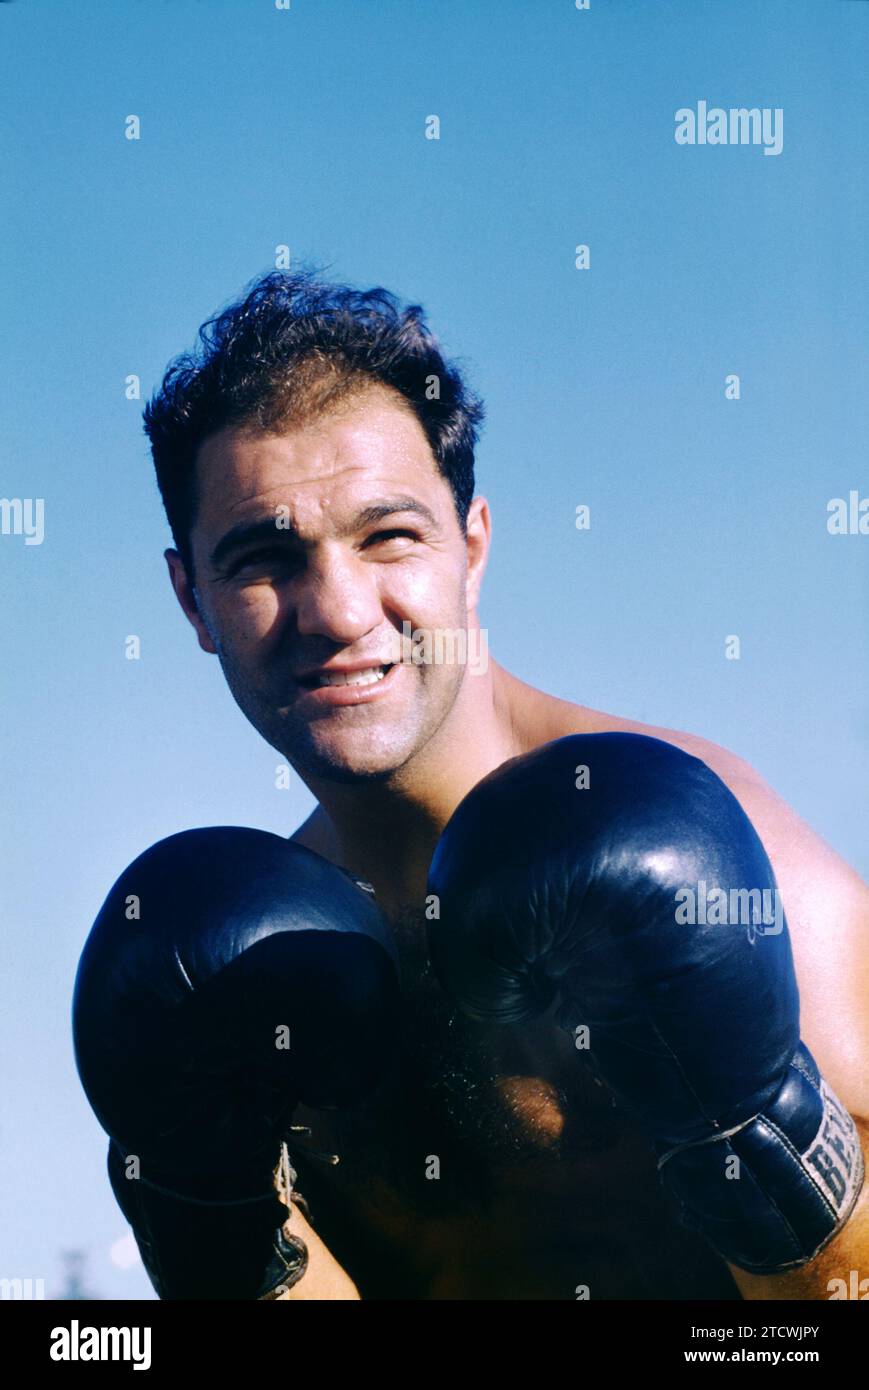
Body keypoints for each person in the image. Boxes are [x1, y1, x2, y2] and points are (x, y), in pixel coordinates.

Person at [76, 269, 869, 1300]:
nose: (339, 610)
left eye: (386, 536)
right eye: (264, 557)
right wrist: (205, 1217)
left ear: (472, 546)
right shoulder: (245, 967)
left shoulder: (727, 870)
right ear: (191, 598)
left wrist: (778, 1159)